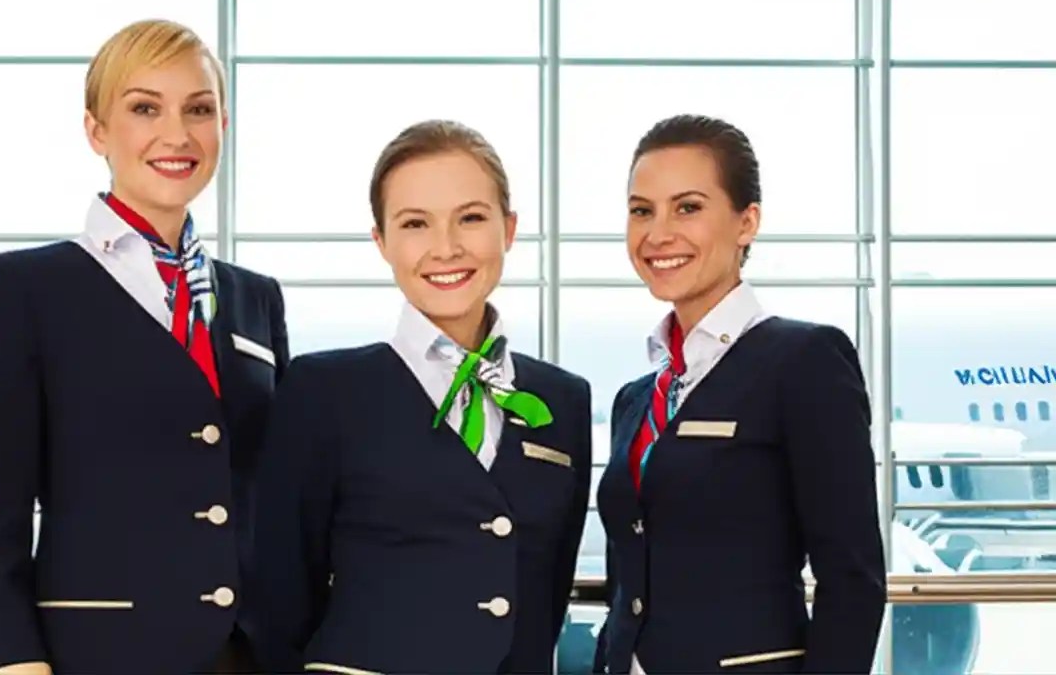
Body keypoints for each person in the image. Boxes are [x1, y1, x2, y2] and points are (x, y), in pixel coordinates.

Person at [0, 19, 289, 675]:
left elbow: (274, 497)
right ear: (96, 130)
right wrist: (11, 666)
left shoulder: (255, 299)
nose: (176, 134)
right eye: (144, 109)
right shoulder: (19, 290)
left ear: (223, 126)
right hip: (95, 656)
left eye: (199, 109)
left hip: (252, 658)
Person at [252, 119, 592, 674]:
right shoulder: (322, 392)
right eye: (415, 224)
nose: (446, 247)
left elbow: (546, 591)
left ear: (508, 229)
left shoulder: (563, 400)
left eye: (472, 218)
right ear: (382, 241)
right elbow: (280, 596)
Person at [593, 114, 885, 674]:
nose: (658, 233)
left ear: (746, 222)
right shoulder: (636, 400)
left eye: (688, 207)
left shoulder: (804, 361)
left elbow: (852, 578)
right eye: (641, 211)